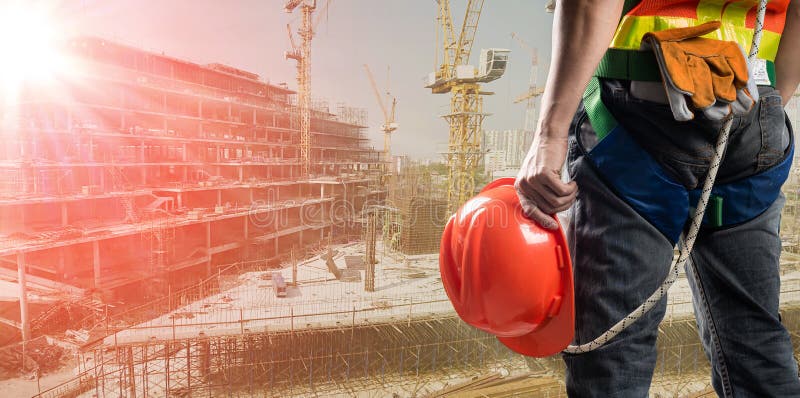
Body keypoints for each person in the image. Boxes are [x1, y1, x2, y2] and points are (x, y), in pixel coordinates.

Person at [515, 0, 800, 396]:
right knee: (755, 343)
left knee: (615, 353)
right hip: (750, 109)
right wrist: (765, 108)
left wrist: (550, 134)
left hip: (639, 115)